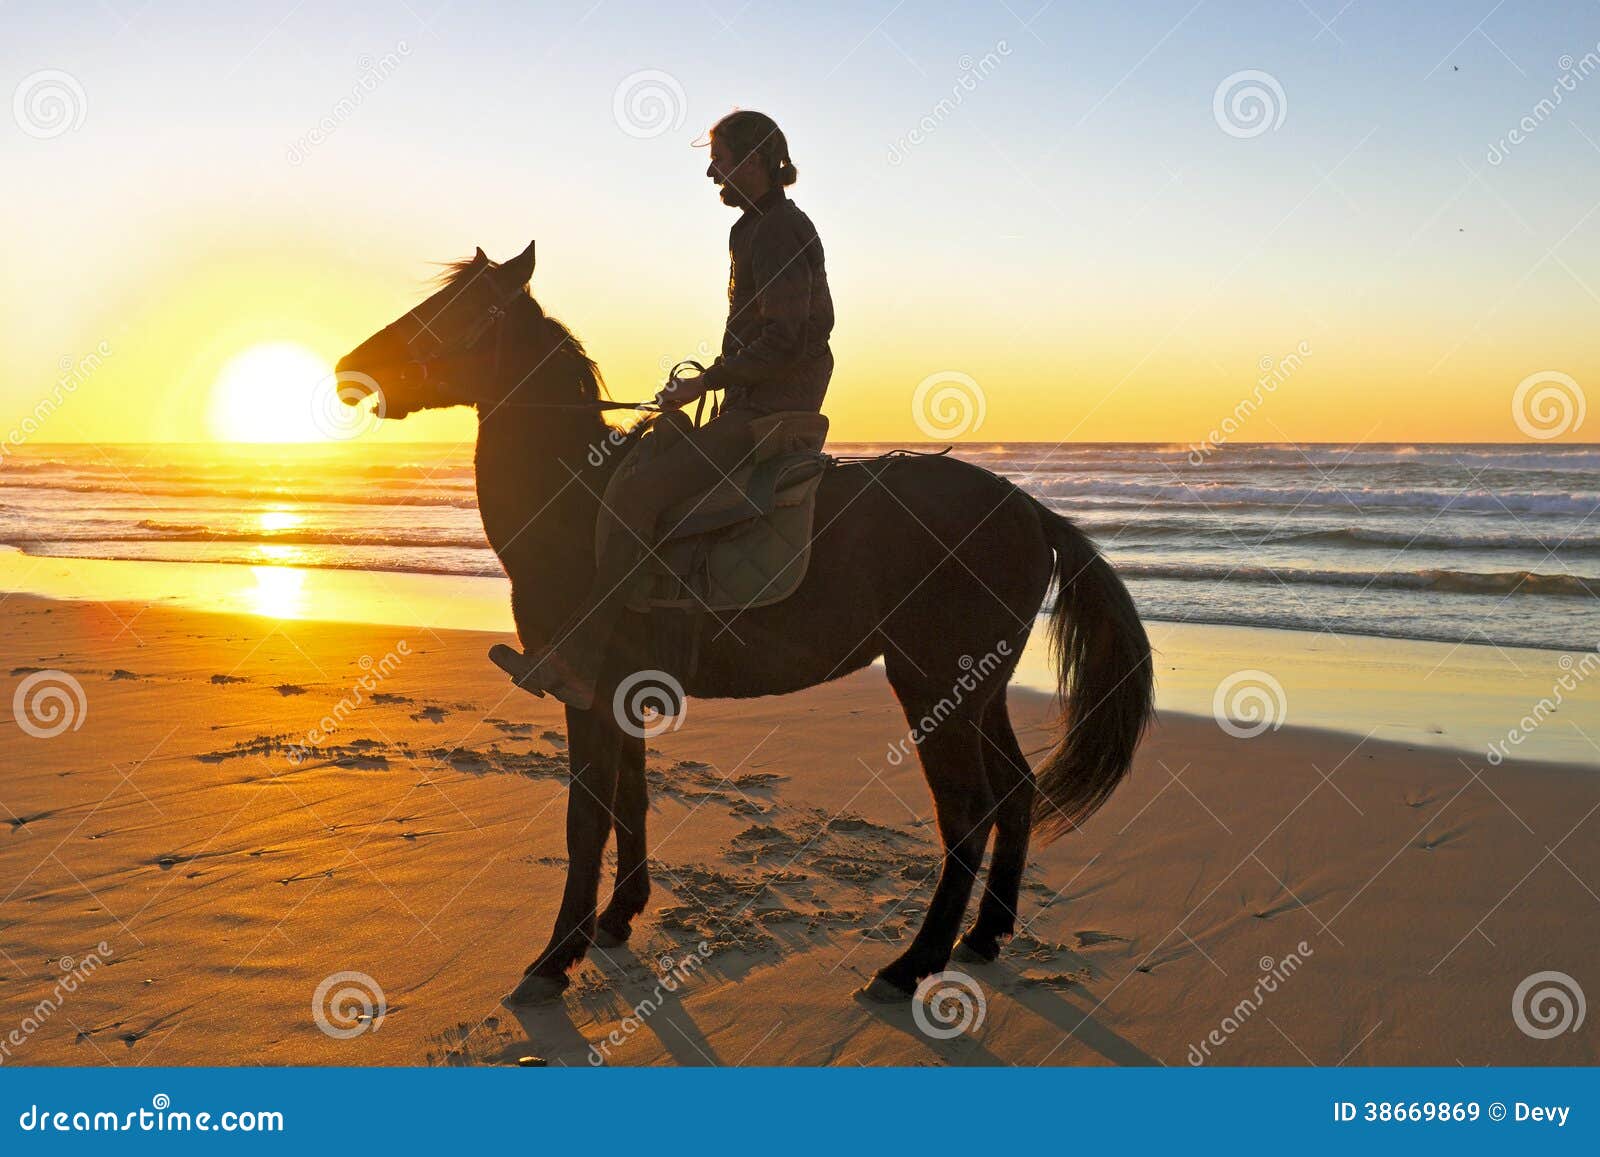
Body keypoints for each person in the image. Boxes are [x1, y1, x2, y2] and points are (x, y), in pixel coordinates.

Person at [506, 109, 834, 709]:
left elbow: (786, 341)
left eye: (723, 160)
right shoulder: (753, 228)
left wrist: (707, 379)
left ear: (756, 162)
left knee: (635, 495)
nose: (713, 173)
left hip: (768, 410)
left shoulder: (781, 229)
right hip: (748, 400)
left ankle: (584, 659)